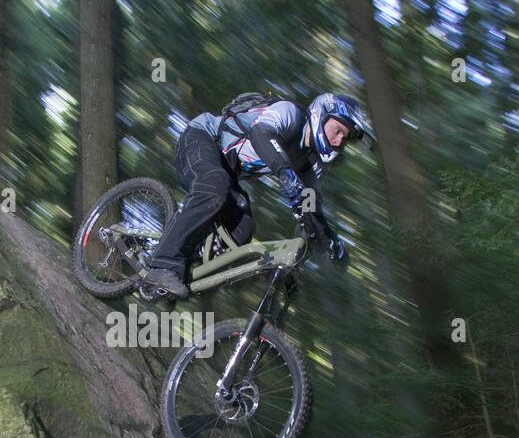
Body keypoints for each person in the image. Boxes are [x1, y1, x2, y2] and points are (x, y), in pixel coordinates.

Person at [143, 91, 376, 298]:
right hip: (202, 137)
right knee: (216, 185)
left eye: (344, 139)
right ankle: (162, 263)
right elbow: (261, 134)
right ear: (320, 115)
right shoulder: (291, 114)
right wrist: (285, 172)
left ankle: (184, 269)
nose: (338, 141)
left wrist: (329, 241)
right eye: (338, 131)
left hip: (225, 169)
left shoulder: (310, 164)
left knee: (243, 226)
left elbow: (310, 207)